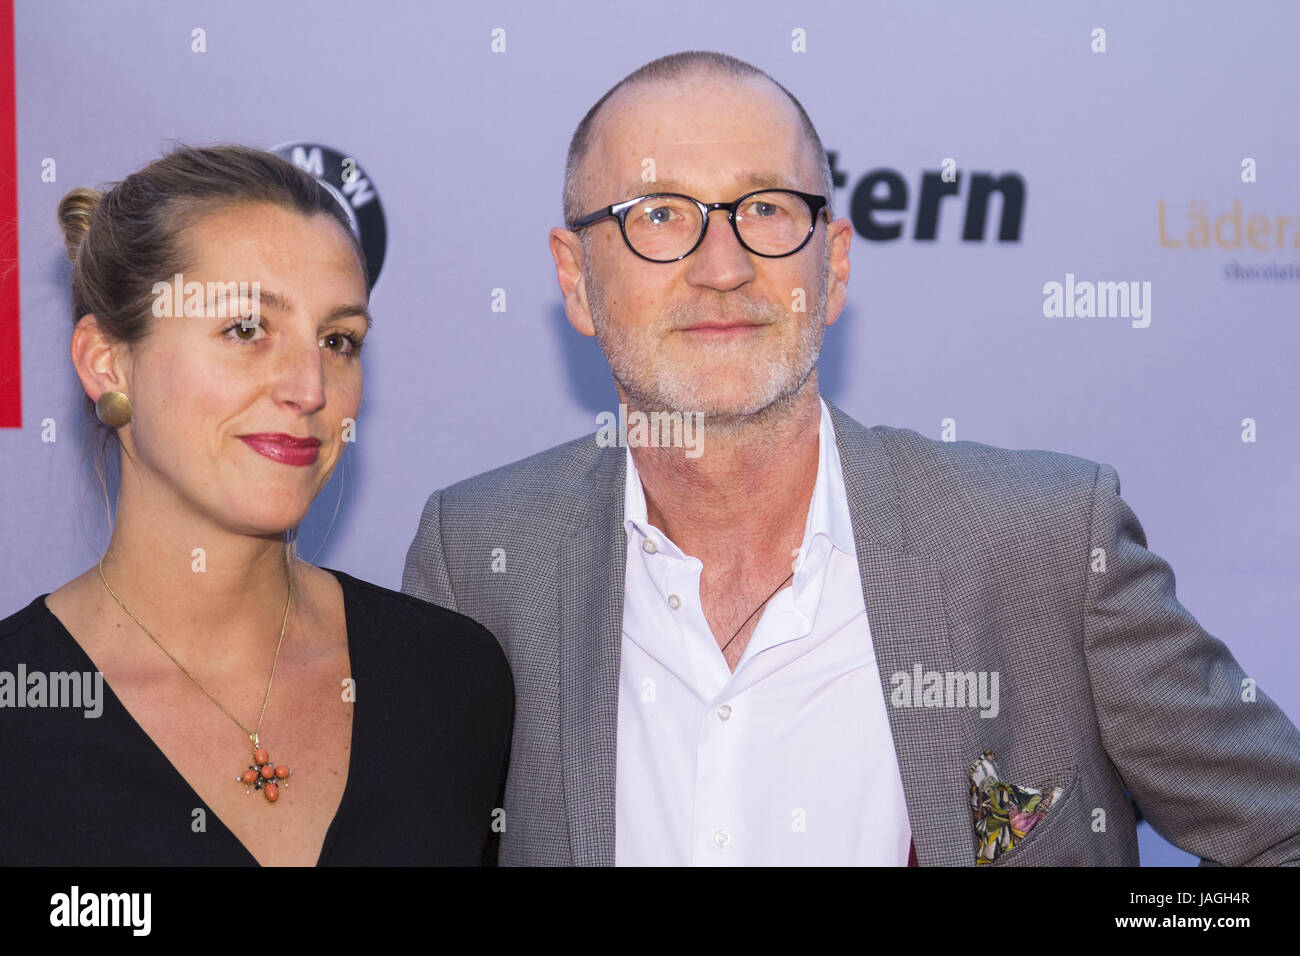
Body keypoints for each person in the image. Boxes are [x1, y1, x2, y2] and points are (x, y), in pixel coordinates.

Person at [402, 50, 1300, 866]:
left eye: (764, 208)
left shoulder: (1050, 542)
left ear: (831, 268)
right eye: (660, 214)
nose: (724, 266)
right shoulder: (480, 556)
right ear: (576, 280)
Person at [0, 144, 513, 866]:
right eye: (246, 329)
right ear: (107, 362)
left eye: (339, 340)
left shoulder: (452, 680)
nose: (309, 387)